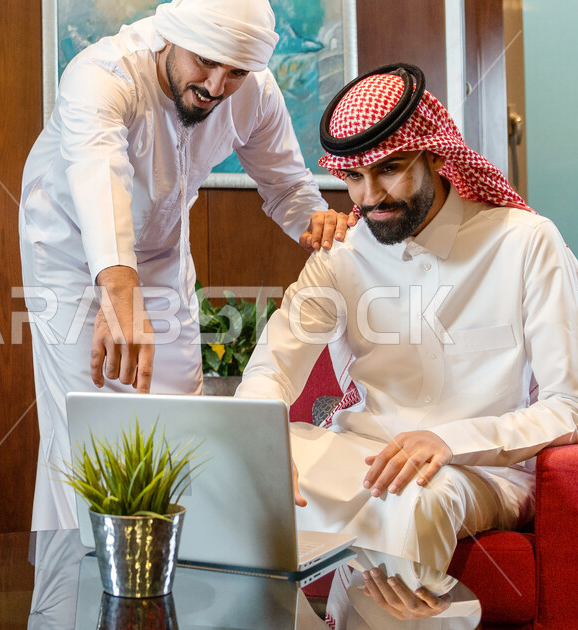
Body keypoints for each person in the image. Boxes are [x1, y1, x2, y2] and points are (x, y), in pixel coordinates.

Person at [236, 63, 578, 572]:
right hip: (358, 452)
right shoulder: (342, 254)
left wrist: (450, 441)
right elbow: (273, 366)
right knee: (233, 476)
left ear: (434, 155)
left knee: (418, 498)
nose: (369, 198)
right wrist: (260, 446)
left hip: (473, 468)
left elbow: (574, 410)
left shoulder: (524, 241)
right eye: (353, 178)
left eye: (389, 169)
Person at [19, 0, 353, 531]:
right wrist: (118, 295)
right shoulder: (101, 76)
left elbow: (287, 185)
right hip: (69, 247)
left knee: (179, 410)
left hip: (163, 245)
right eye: (204, 62)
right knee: (87, 421)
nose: (218, 85)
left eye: (236, 71)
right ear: (170, 38)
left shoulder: (256, 92)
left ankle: (180, 568)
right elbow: (98, 177)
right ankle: (80, 584)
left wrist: (317, 221)